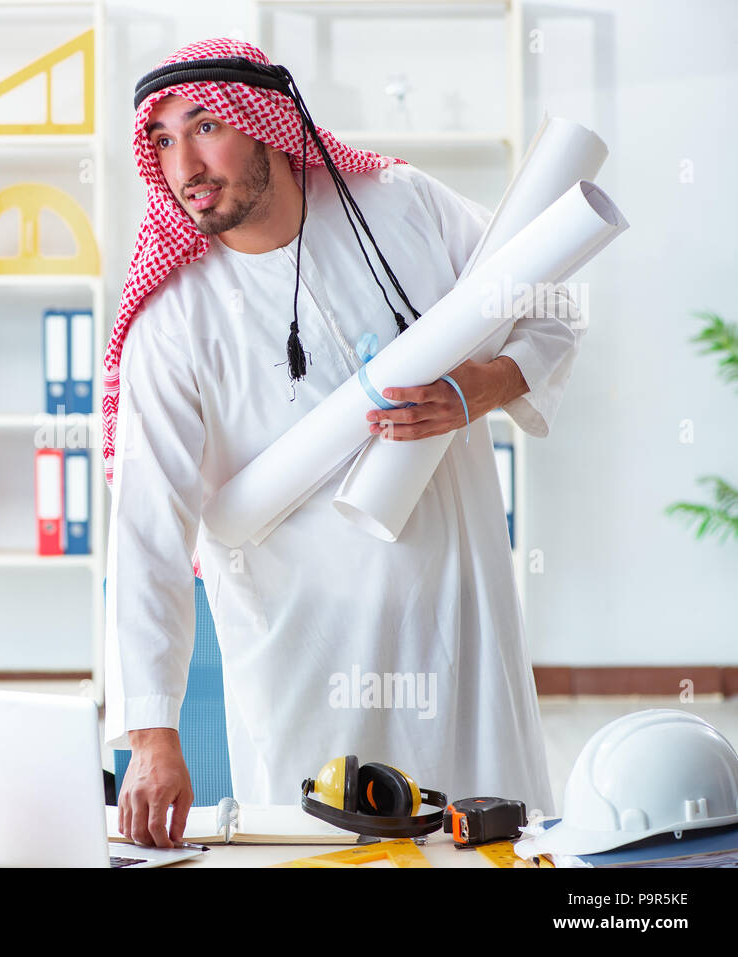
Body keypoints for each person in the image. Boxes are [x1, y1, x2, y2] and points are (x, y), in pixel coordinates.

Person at [104, 38, 581, 849]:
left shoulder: (403, 205)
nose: (185, 163)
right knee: (326, 847)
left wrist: (478, 389)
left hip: (456, 616)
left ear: (268, 124)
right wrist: (153, 736)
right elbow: (148, 529)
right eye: (162, 141)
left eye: (206, 125)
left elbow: (550, 302)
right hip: (304, 646)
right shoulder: (175, 318)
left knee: (488, 837)